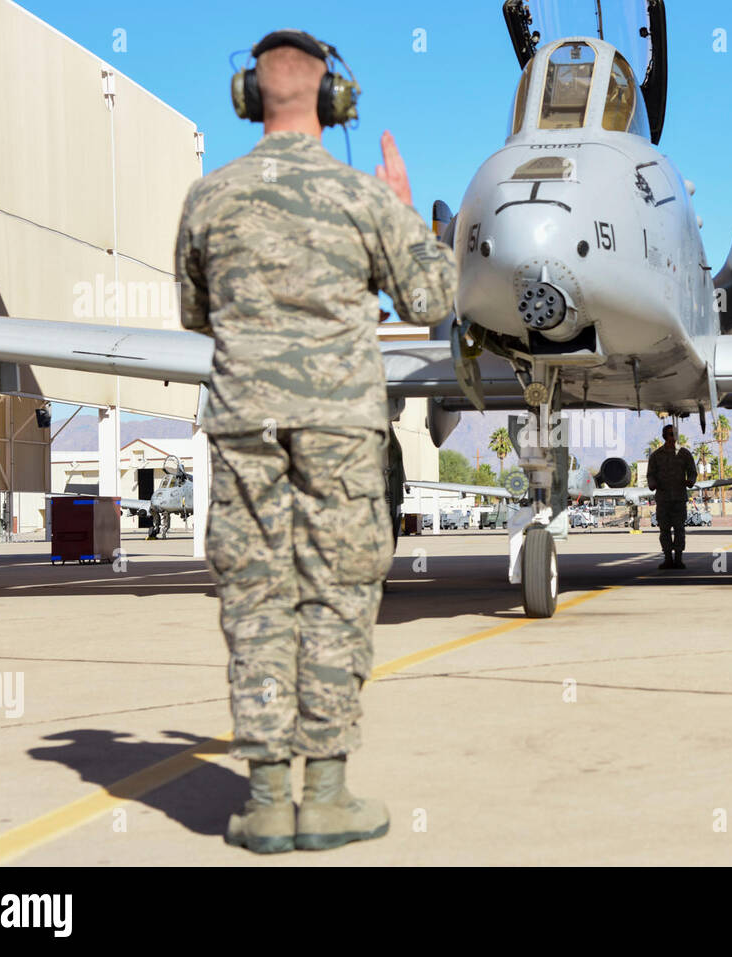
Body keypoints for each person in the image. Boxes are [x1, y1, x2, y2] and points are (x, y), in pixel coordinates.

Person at [176, 30, 456, 854]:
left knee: (257, 600)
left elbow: (196, 315)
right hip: (339, 424)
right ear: (336, 101)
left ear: (247, 98)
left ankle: (265, 802)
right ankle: (325, 795)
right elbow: (431, 293)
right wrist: (402, 207)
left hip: (244, 422)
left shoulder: (209, 197)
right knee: (335, 596)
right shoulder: (360, 198)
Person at [645, 424, 697, 568]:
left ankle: (679, 559)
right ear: (664, 436)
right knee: (664, 530)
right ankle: (668, 558)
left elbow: (692, 471)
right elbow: (650, 474)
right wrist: (652, 483)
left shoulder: (684, 453)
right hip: (663, 498)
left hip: (679, 498)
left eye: (674, 434)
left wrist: (691, 481)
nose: (672, 437)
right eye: (669, 434)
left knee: (680, 529)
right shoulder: (656, 455)